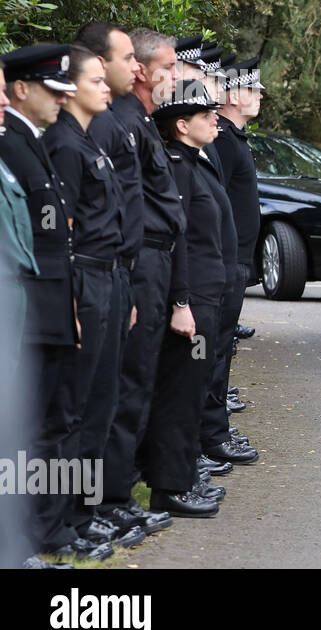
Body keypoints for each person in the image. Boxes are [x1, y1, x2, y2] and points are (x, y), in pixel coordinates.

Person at [0, 45, 107, 560]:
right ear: (22, 89)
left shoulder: (31, 141)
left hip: (52, 311)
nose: (60, 100)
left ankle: (51, 526)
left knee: (57, 420)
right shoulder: (11, 145)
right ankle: (30, 535)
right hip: (31, 316)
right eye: (52, 90)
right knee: (33, 428)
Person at [41, 44, 143, 548]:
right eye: (96, 81)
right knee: (77, 408)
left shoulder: (89, 141)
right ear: (70, 89)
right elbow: (67, 229)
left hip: (109, 277)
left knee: (100, 403)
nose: (107, 88)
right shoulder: (64, 144)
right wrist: (79, 298)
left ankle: (86, 513)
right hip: (86, 278)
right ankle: (67, 522)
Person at [105, 29, 188, 529]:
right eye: (170, 67)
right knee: (129, 382)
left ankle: (120, 490)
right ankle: (111, 497)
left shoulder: (141, 123)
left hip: (154, 263)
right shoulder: (124, 125)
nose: (175, 76)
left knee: (140, 380)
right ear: (141, 69)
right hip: (138, 264)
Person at [142, 80, 228, 517]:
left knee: (193, 388)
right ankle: (170, 488)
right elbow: (174, 238)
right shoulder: (177, 165)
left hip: (206, 296)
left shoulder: (193, 162)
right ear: (181, 125)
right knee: (180, 392)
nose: (216, 119)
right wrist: (181, 302)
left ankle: (183, 477)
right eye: (205, 115)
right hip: (191, 301)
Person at [202, 56, 264, 463]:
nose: (259, 95)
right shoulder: (222, 138)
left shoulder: (232, 137)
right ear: (233, 94)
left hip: (235, 259)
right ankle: (211, 434)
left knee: (221, 351)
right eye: (253, 89)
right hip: (225, 260)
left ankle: (214, 429)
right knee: (214, 352)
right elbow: (210, 202)